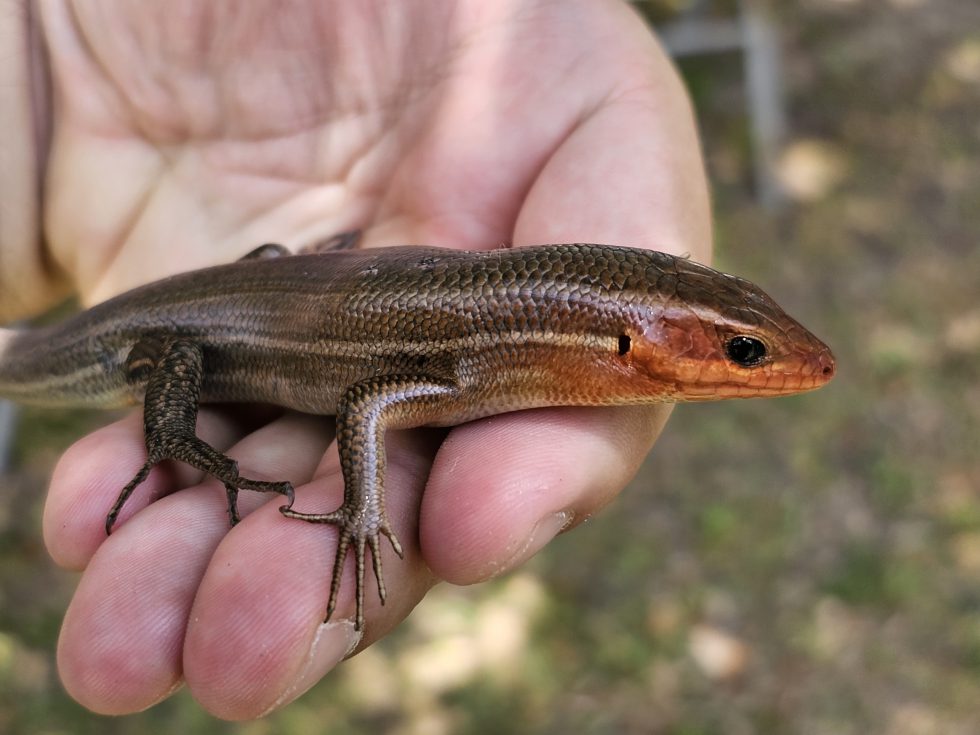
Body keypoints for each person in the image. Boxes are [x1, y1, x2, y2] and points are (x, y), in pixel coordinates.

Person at [1, 0, 711, 720]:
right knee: (182, 367)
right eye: (744, 354)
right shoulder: (474, 361)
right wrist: (363, 508)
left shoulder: (498, 348)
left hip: (244, 298)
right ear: (630, 341)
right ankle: (171, 439)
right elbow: (367, 402)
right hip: (165, 338)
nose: (757, 369)